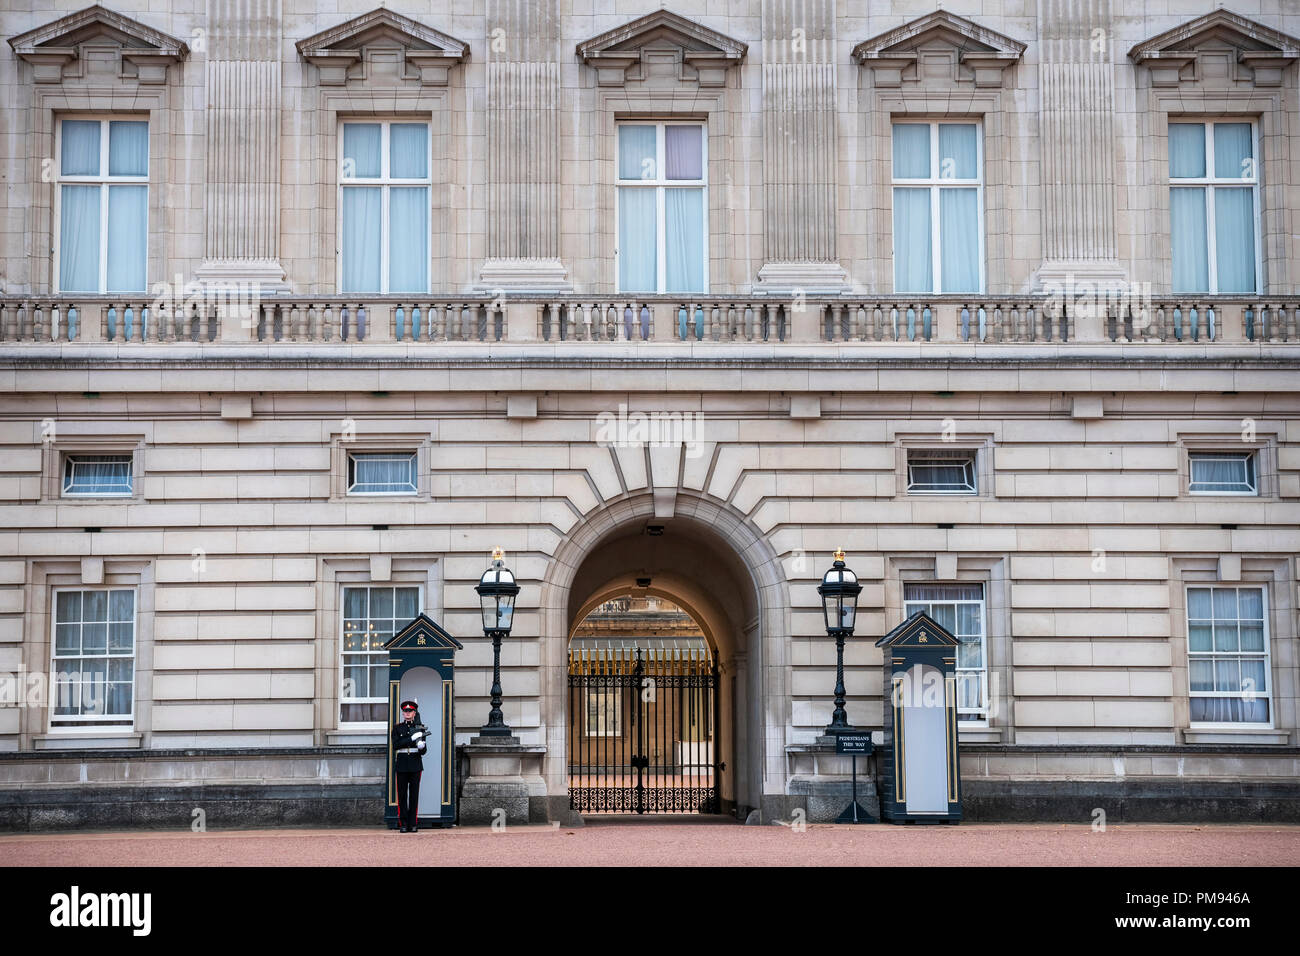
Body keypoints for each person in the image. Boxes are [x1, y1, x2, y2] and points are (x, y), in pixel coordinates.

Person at [393, 699, 427, 832]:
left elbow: (424, 751)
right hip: (402, 763)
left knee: (414, 795)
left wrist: (421, 746)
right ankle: (403, 823)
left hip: (415, 763)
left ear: (414, 713)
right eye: (405, 711)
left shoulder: (420, 727)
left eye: (410, 711)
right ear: (403, 713)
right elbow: (396, 745)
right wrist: (411, 739)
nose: (407, 713)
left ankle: (413, 823)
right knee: (402, 795)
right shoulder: (397, 728)